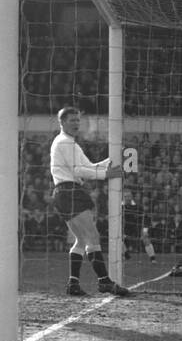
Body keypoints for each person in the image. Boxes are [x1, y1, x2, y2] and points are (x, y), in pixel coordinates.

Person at [49, 106, 130, 296]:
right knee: (92, 236)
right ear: (62, 122)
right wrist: (105, 174)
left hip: (66, 192)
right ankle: (104, 282)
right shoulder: (64, 142)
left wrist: (111, 159)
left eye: (78, 120)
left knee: (81, 239)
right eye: (72, 120)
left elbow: (88, 167)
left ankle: (73, 283)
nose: (76, 123)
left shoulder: (71, 143)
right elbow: (79, 171)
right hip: (69, 191)